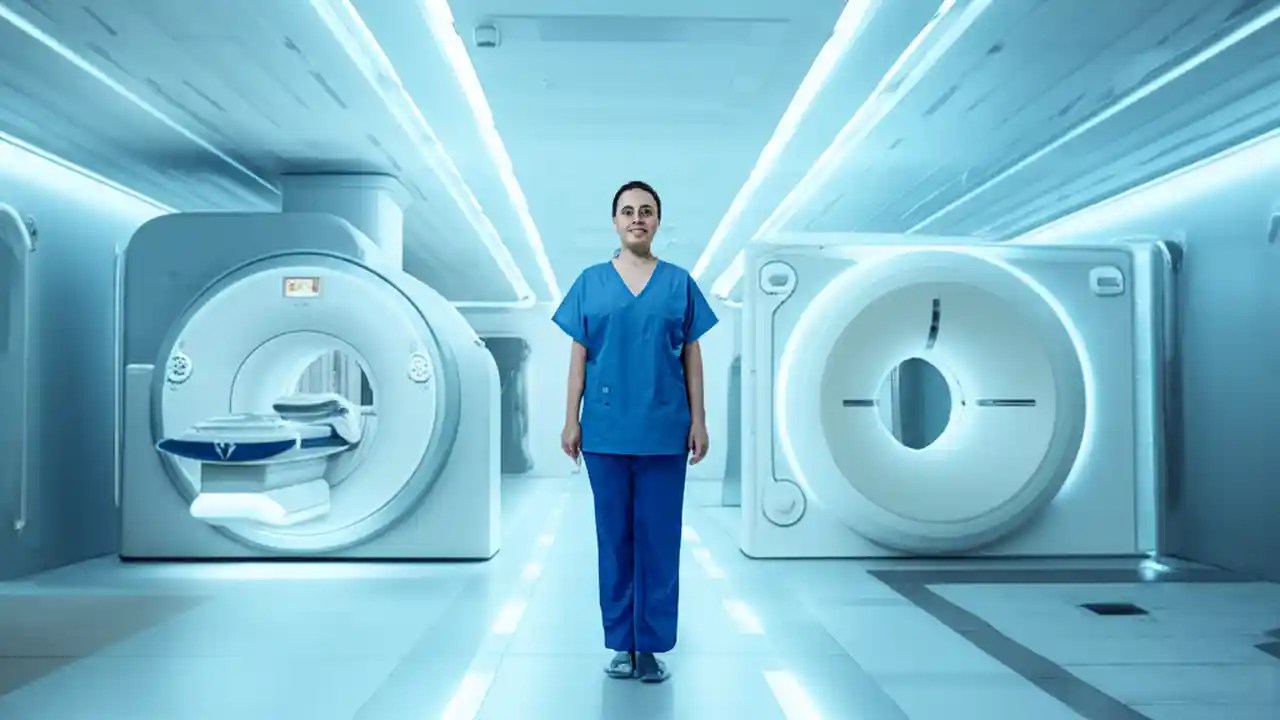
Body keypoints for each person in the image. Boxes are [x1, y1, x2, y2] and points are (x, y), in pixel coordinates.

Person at [551, 180, 718, 684]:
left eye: (646, 211)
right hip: (605, 433)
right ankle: (622, 643)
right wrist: (571, 418)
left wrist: (699, 419)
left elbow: (691, 356)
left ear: (658, 221)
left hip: (664, 431)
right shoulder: (590, 283)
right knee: (615, 541)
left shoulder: (679, 283)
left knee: (659, 541)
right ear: (615, 221)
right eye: (628, 211)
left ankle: (651, 646)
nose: (637, 219)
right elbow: (579, 357)